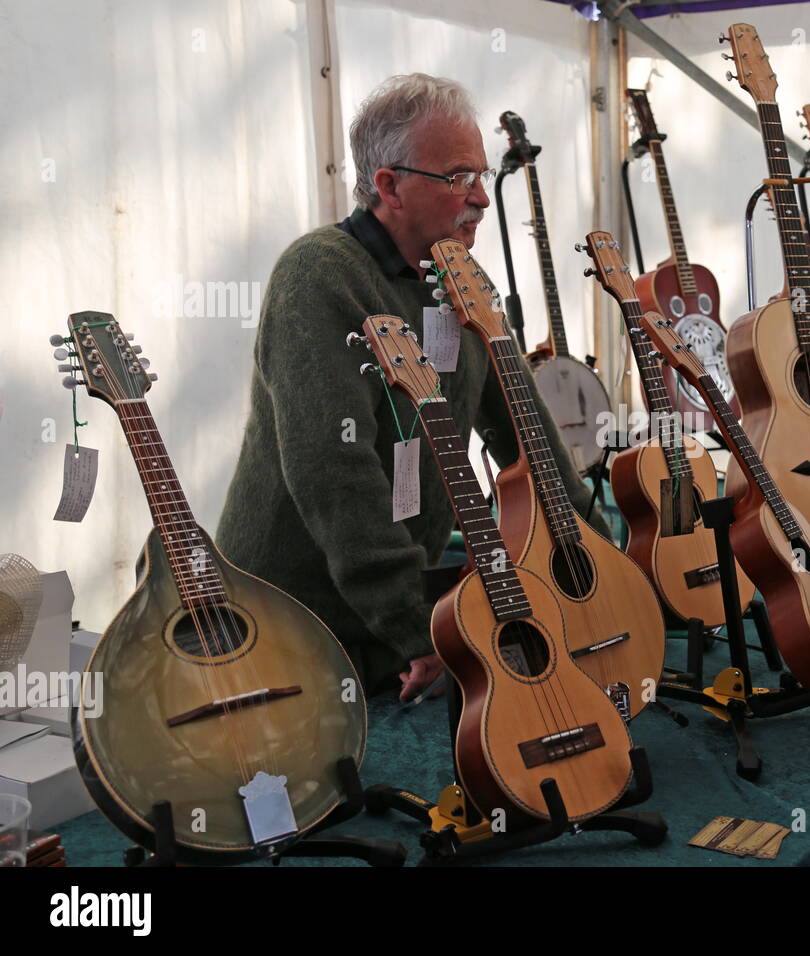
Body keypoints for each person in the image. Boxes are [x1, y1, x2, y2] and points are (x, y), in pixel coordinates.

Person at [216, 75, 602, 700]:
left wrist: (599, 558)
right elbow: (334, 476)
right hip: (291, 629)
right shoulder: (318, 275)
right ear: (388, 186)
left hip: (398, 621)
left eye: (481, 176)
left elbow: (524, 431)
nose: (480, 198)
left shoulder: (461, 277)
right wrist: (419, 633)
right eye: (458, 177)